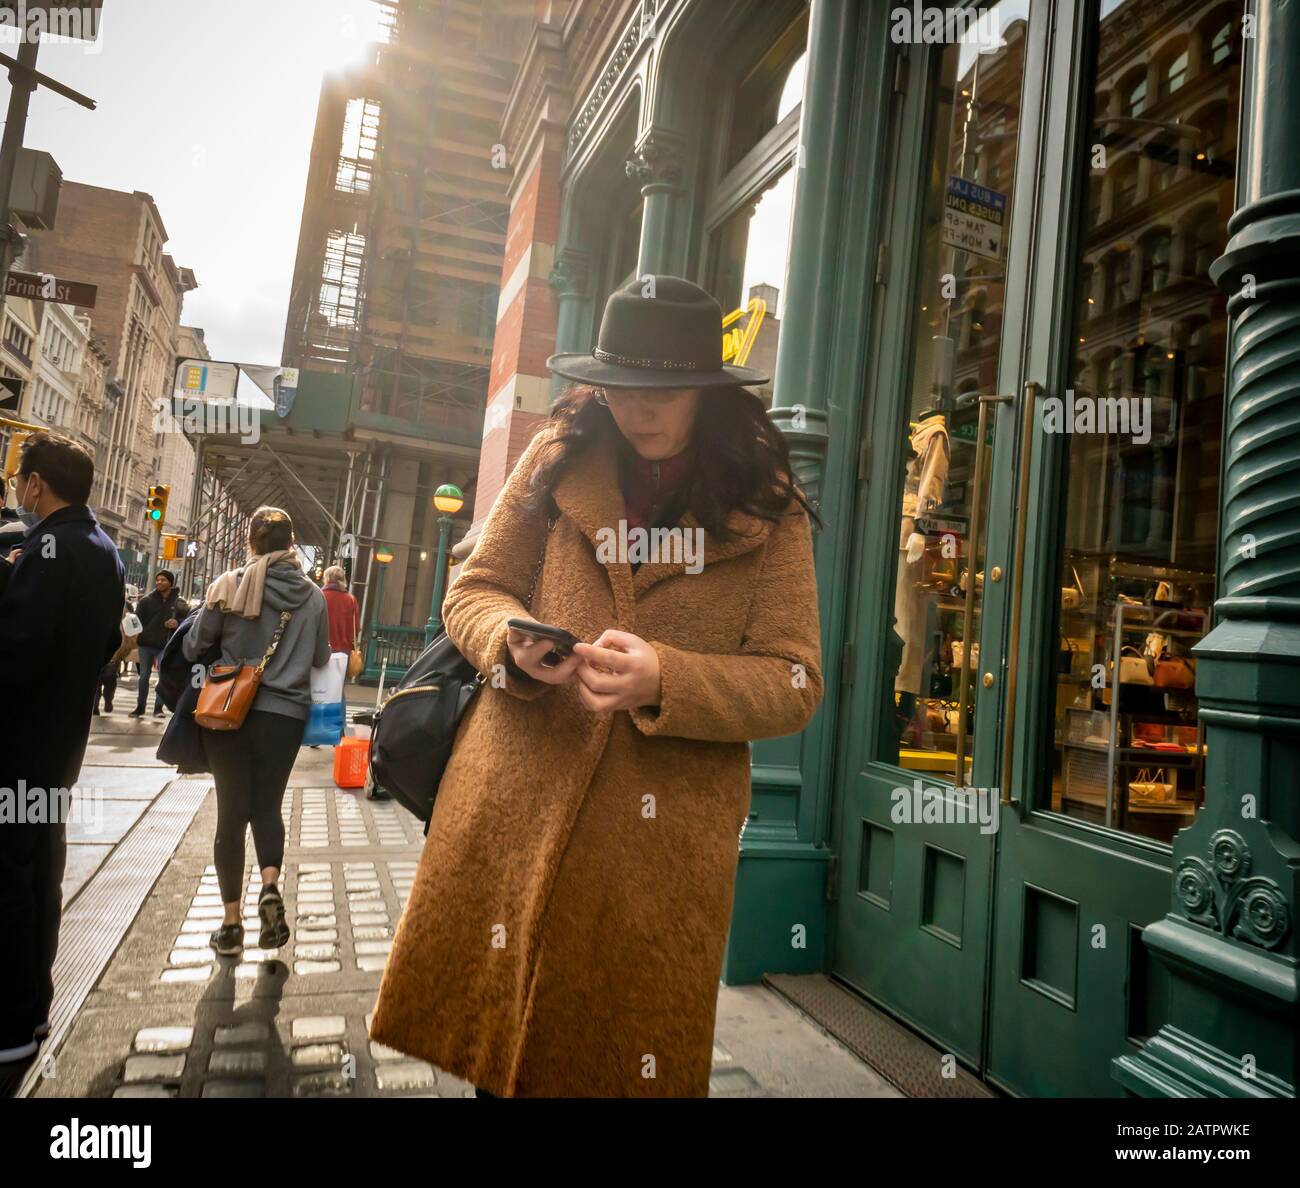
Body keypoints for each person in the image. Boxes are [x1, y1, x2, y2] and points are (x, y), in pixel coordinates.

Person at [369, 276, 824, 1097]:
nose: (635, 407)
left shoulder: (769, 509)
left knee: (610, 1071)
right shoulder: (556, 458)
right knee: (495, 1059)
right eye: (620, 386)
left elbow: (794, 681)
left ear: (706, 393)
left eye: (661, 390)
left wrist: (667, 678)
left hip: (654, 858)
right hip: (513, 802)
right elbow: (474, 590)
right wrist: (509, 642)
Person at [0, 433, 124, 1064]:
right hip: (61, 741)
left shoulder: (49, 548)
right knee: (41, 866)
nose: (18, 489)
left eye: (20, 478)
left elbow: (16, 651)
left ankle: (11, 1022)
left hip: (19, 740)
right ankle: (35, 1011)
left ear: (37, 484)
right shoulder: (105, 550)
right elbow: (106, 644)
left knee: (10, 876)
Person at [183, 506, 329, 958]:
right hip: (284, 717)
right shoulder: (314, 596)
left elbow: (193, 647)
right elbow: (321, 657)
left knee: (231, 816)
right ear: (291, 544)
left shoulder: (228, 585)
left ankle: (230, 925)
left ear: (251, 542)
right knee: (267, 807)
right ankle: (269, 886)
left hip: (228, 712)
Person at [130, 569, 189, 718]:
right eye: (158, 580)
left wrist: (177, 622)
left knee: (163, 676)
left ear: (170, 583)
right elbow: (136, 621)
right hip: (145, 645)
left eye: (163, 580)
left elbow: (189, 621)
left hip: (166, 645)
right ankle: (140, 707)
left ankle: (158, 708)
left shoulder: (179, 602)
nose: (159, 582)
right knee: (144, 676)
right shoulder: (146, 601)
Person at [321, 565, 360, 657]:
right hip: (343, 651)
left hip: (320, 650)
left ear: (326, 578)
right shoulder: (351, 599)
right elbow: (356, 628)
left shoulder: (319, 596)